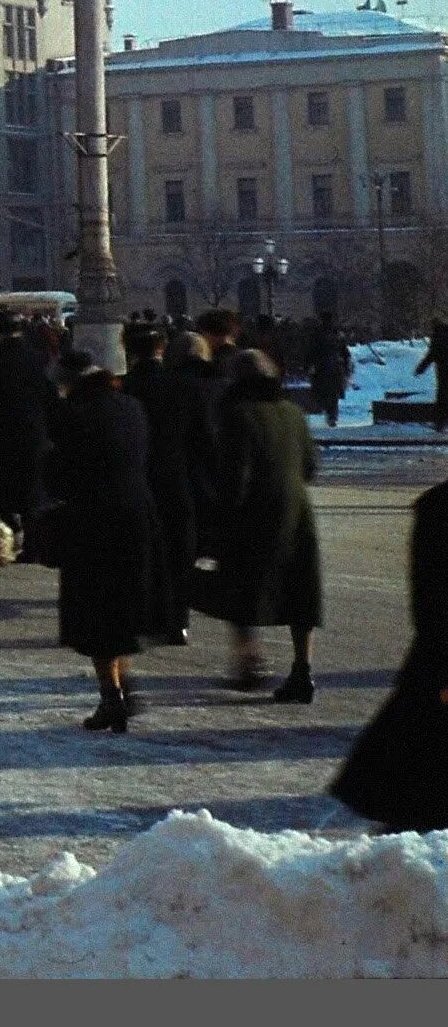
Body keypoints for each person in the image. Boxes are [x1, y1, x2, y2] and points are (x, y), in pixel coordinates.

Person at [46, 351, 162, 732]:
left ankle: (110, 696)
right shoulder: (132, 406)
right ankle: (121, 688)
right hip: (137, 511)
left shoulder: (71, 415)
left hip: (92, 517)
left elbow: (59, 472)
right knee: (124, 604)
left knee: (95, 610)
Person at [330, 475, 448, 831]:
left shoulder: (437, 509)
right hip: (439, 671)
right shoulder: (439, 511)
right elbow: (433, 605)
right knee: (418, 801)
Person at [215, 347, 322, 700]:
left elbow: (236, 476)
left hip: (255, 515)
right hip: (298, 513)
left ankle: (250, 664)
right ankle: (302, 671)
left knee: (242, 589)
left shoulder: (237, 415)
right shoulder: (293, 412)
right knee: (301, 593)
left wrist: (222, 516)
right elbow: (310, 467)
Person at [123, 325, 220, 642]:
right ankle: (178, 620)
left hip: (140, 479)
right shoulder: (182, 387)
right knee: (180, 552)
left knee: (146, 550)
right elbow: (204, 438)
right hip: (180, 479)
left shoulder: (126, 388)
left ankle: (147, 614)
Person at [0, 317, 55, 552]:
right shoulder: (36, 356)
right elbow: (47, 393)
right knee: (31, 491)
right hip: (32, 432)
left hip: (0, 434)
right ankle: (32, 545)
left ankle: (13, 525)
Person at [309, 322, 353, 427]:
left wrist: (310, 365)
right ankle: (332, 415)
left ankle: (329, 414)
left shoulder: (318, 337)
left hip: (322, 369)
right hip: (335, 370)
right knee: (333, 394)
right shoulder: (337, 337)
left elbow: (312, 352)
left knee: (326, 393)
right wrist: (346, 368)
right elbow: (345, 354)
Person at [418, 317, 448, 432]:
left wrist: (421, 368)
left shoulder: (437, 337)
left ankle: (440, 422)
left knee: (442, 395)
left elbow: (431, 355)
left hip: (442, 370)